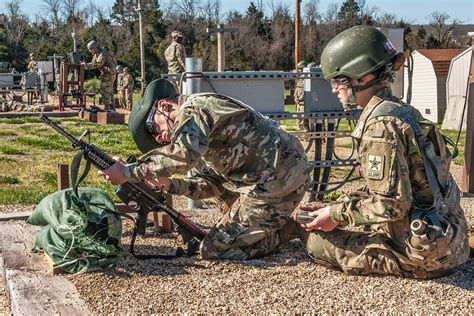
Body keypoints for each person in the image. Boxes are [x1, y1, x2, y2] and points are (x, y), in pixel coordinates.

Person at [296, 25, 470, 278]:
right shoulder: (402, 111)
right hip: (450, 238)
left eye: (338, 80)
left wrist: (333, 215)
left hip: (425, 255)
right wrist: (339, 207)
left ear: (361, 78)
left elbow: (391, 204)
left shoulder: (380, 127)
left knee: (317, 242)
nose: (334, 89)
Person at [99, 79, 311, 260]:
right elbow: (212, 184)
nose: (159, 138)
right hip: (280, 175)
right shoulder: (198, 133)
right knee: (221, 226)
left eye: (152, 128)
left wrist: (128, 172)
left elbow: (184, 156)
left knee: (213, 249)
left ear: (163, 106)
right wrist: (170, 184)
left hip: (278, 177)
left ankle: (284, 231)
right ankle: (272, 223)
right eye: (155, 139)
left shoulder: (193, 109)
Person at [81, 40, 117, 112]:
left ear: (95, 48)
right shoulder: (96, 54)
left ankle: (107, 108)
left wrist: (85, 65)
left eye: (91, 49)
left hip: (109, 73)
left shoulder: (102, 53)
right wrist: (86, 65)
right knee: (109, 90)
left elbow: (98, 64)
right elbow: (93, 63)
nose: (90, 51)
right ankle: (112, 108)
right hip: (107, 73)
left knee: (105, 90)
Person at [294, 61, 309, 132]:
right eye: (298, 69)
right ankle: (301, 133)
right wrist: (295, 97)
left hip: (304, 103)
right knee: (298, 120)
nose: (299, 70)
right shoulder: (300, 79)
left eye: (300, 68)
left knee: (304, 120)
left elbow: (307, 91)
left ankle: (306, 135)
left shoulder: (307, 79)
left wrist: (301, 98)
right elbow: (297, 89)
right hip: (299, 103)